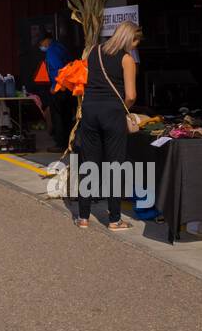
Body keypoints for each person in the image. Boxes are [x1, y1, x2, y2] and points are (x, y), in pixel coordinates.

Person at [75, 21, 142, 231]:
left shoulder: (93, 51)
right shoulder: (127, 59)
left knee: (89, 164)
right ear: (129, 38)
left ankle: (83, 217)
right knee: (114, 166)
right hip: (112, 113)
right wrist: (124, 108)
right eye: (136, 42)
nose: (135, 46)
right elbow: (130, 95)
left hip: (90, 111)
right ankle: (114, 219)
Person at [38, 31, 74, 152]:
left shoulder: (51, 51)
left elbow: (59, 70)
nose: (41, 46)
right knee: (67, 116)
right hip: (68, 86)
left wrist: (55, 86)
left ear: (47, 40)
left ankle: (60, 144)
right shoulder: (60, 47)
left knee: (58, 116)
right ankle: (69, 141)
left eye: (41, 43)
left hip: (60, 87)